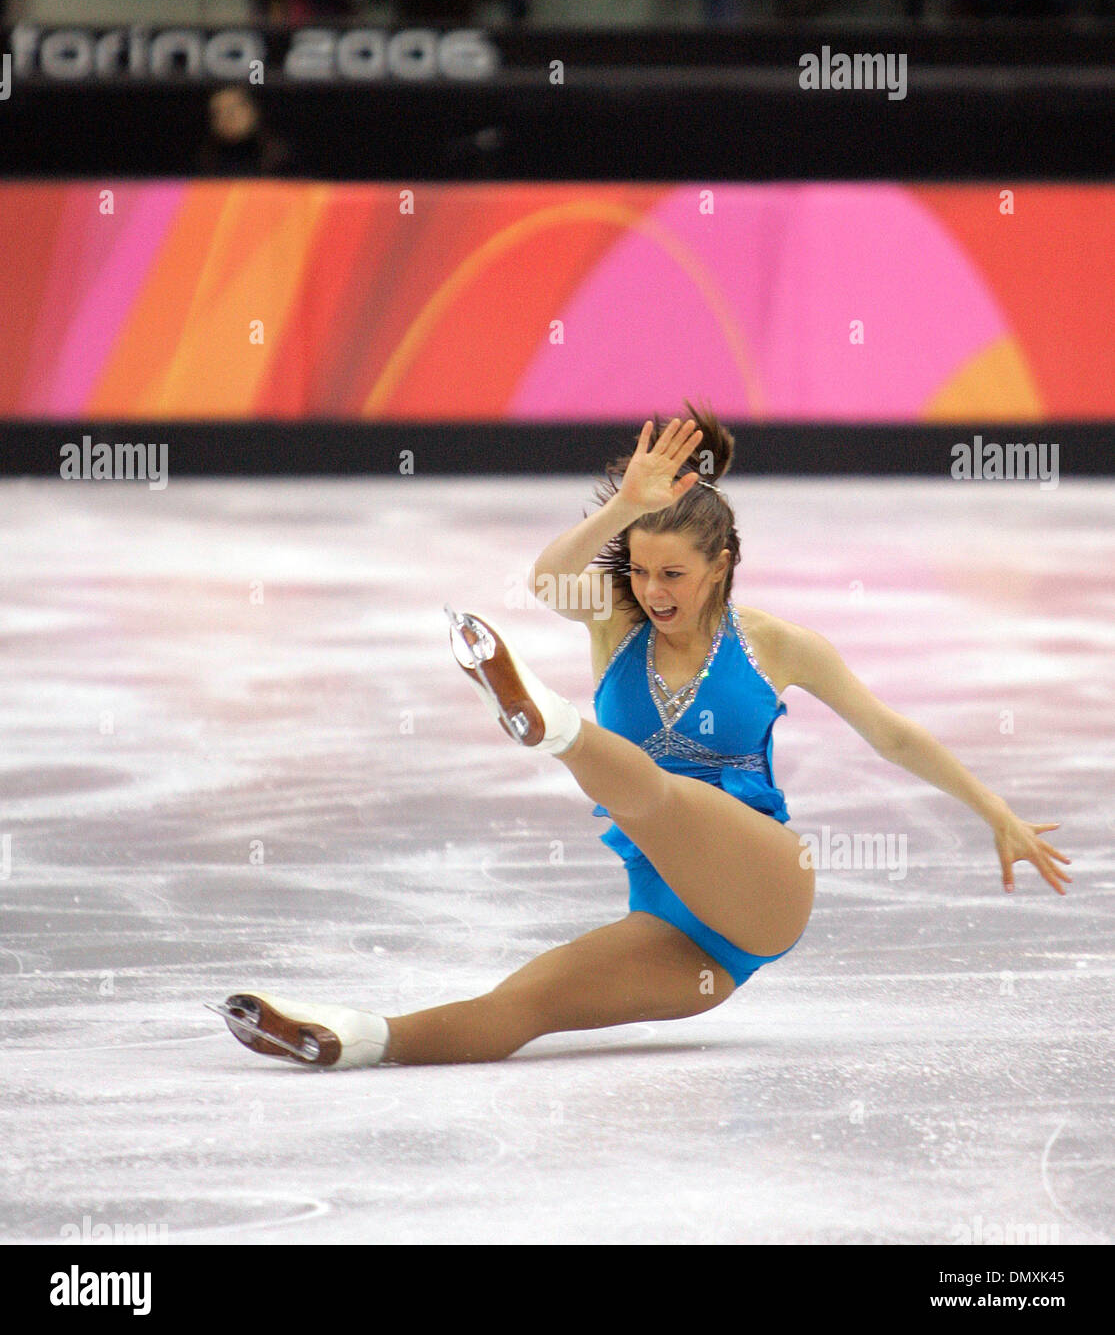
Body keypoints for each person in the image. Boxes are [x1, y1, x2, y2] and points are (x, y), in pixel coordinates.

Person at [213, 404, 1071, 1068]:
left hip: (766, 887)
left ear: (723, 565)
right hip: (686, 940)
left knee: (667, 794)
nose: (653, 591)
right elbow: (549, 579)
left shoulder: (775, 647)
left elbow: (891, 736)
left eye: (674, 575)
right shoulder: (613, 624)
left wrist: (993, 809)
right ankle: (351, 1040)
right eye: (640, 571)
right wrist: (625, 507)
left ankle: (549, 728)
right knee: (522, 1005)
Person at [196, 86, 291, 178]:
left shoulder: (281, 161)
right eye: (217, 113)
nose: (225, 118)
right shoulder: (203, 164)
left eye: (232, 110)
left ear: (254, 110)